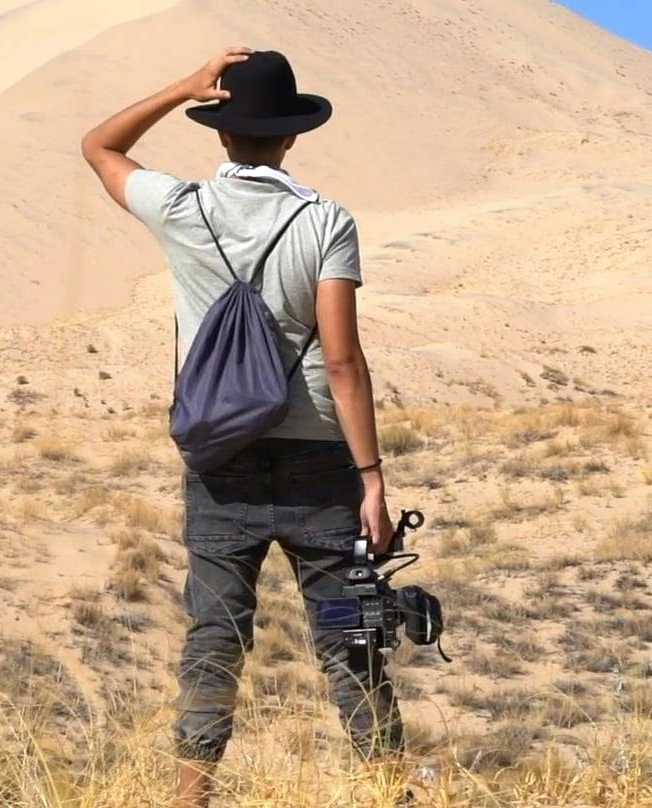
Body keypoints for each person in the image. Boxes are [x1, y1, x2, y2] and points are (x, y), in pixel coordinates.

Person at [81, 47, 403, 806]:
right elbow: (344, 359)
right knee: (345, 632)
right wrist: (373, 479)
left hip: (220, 457)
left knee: (216, 633)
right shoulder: (324, 221)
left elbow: (99, 146)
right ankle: (389, 789)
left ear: (221, 133)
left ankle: (191, 795)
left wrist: (182, 87)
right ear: (292, 136)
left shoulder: (182, 207)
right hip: (321, 464)